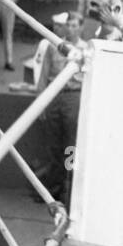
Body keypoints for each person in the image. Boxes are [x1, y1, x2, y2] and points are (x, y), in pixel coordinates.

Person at [34, 12, 88, 202]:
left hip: (74, 98)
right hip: (55, 98)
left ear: (81, 27)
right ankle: (53, 188)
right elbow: (43, 77)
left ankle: (69, 189)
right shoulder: (53, 46)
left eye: (75, 25)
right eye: (68, 25)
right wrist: (40, 104)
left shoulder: (86, 51)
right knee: (53, 145)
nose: (71, 29)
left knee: (70, 146)